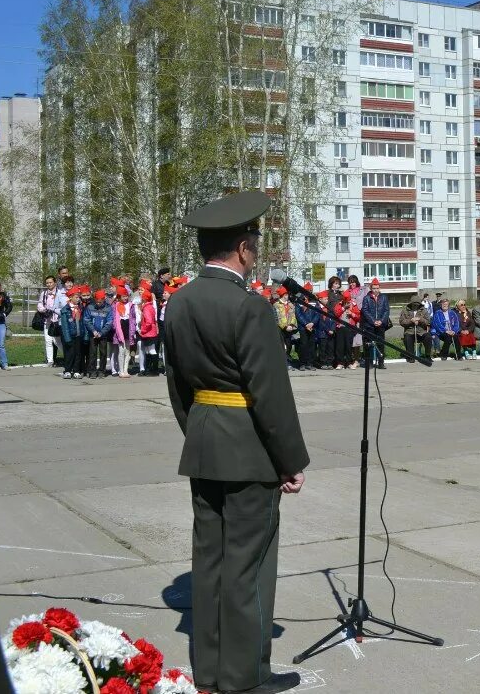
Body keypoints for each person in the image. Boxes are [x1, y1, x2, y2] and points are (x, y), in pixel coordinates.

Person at [161, 191, 308, 694]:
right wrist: (290, 461)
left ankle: (211, 673)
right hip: (249, 453)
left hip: (204, 445)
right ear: (244, 248)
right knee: (249, 567)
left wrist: (199, 431)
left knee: (211, 565)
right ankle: (245, 679)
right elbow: (270, 395)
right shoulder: (250, 308)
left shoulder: (179, 302)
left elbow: (178, 385)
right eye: (256, 244)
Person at [360, 279, 391, 368]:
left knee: (380, 344)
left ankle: (381, 362)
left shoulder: (384, 297)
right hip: (370, 325)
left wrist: (381, 321)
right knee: (369, 344)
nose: (376, 290)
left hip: (381, 325)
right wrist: (373, 321)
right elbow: (365, 311)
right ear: (371, 288)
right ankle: (369, 362)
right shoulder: (366, 298)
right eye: (374, 288)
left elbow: (386, 310)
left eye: (377, 288)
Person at [400, 295, 433, 361]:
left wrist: (420, 320)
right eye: (414, 304)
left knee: (428, 337)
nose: (415, 306)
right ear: (411, 304)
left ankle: (427, 355)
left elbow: (428, 321)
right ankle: (411, 356)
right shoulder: (405, 310)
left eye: (417, 304)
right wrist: (411, 320)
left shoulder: (424, 310)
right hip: (410, 331)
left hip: (421, 332)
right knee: (407, 337)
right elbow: (401, 322)